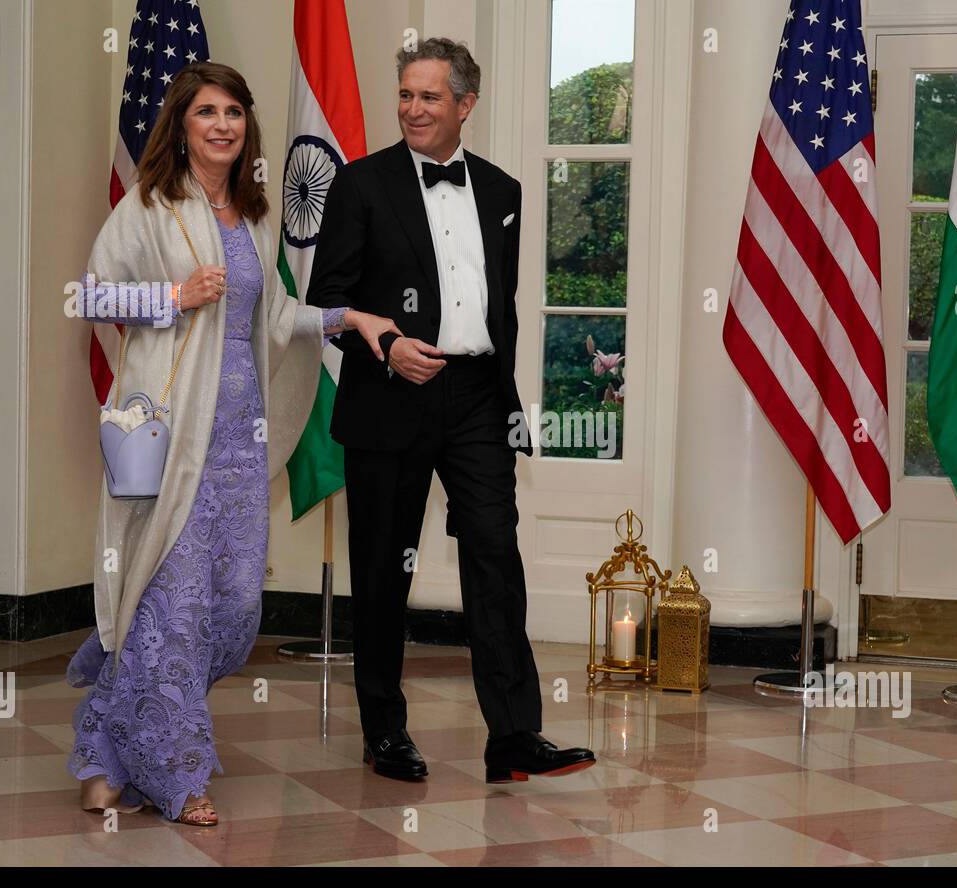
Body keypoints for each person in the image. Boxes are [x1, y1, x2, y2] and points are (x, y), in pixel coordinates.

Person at [67, 62, 399, 825]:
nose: (222, 125)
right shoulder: (151, 206)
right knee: (172, 607)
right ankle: (179, 775)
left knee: (231, 609)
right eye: (206, 112)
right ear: (182, 125)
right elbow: (90, 293)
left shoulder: (250, 217)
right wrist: (171, 298)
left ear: (248, 126)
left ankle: (109, 738)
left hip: (240, 449)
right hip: (174, 438)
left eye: (234, 113)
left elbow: (277, 316)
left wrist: (351, 321)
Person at [307, 38, 595, 784]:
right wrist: (387, 345)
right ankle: (384, 731)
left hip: (475, 400)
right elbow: (327, 302)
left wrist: (502, 394)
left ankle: (514, 737)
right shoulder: (360, 185)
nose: (412, 109)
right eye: (405, 94)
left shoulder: (503, 192)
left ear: (466, 105)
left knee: (495, 556)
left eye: (429, 97)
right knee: (381, 567)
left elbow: (502, 305)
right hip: (389, 393)